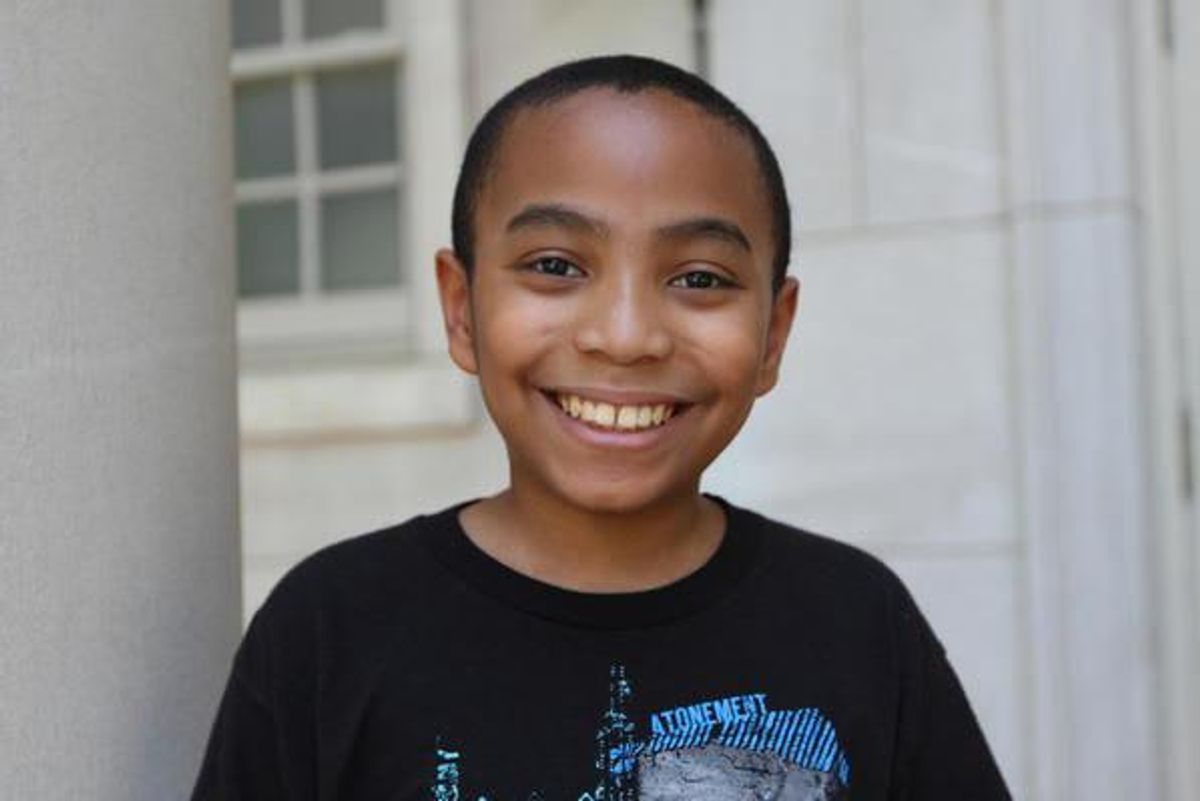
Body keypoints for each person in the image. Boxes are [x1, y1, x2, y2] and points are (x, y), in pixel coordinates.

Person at [190, 54, 1011, 800]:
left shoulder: (858, 621)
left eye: (699, 277)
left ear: (774, 333)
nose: (625, 336)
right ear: (460, 308)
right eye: (555, 266)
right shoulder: (332, 627)